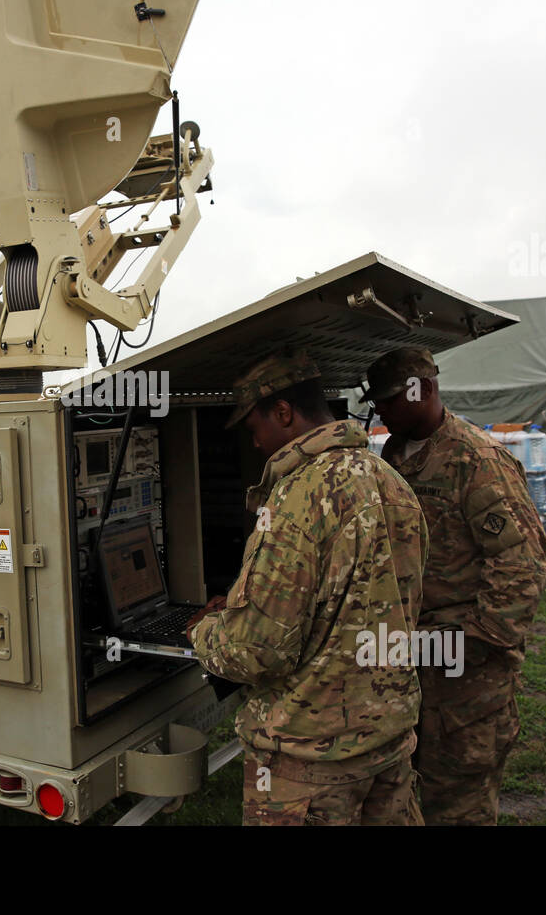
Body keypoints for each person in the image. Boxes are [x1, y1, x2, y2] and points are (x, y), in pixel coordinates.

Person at [189, 351, 428, 825]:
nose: (255, 443)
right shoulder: (391, 479)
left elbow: (259, 649)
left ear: (283, 413)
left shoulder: (298, 497)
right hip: (388, 739)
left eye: (255, 428)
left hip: (310, 761)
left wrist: (204, 631)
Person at [363, 346, 546, 825]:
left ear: (420, 391)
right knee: (401, 788)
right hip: (408, 659)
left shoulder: (477, 460)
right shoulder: (394, 453)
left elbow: (521, 561)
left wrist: (474, 642)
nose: (378, 411)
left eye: (387, 400)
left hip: (465, 673)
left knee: (458, 800)